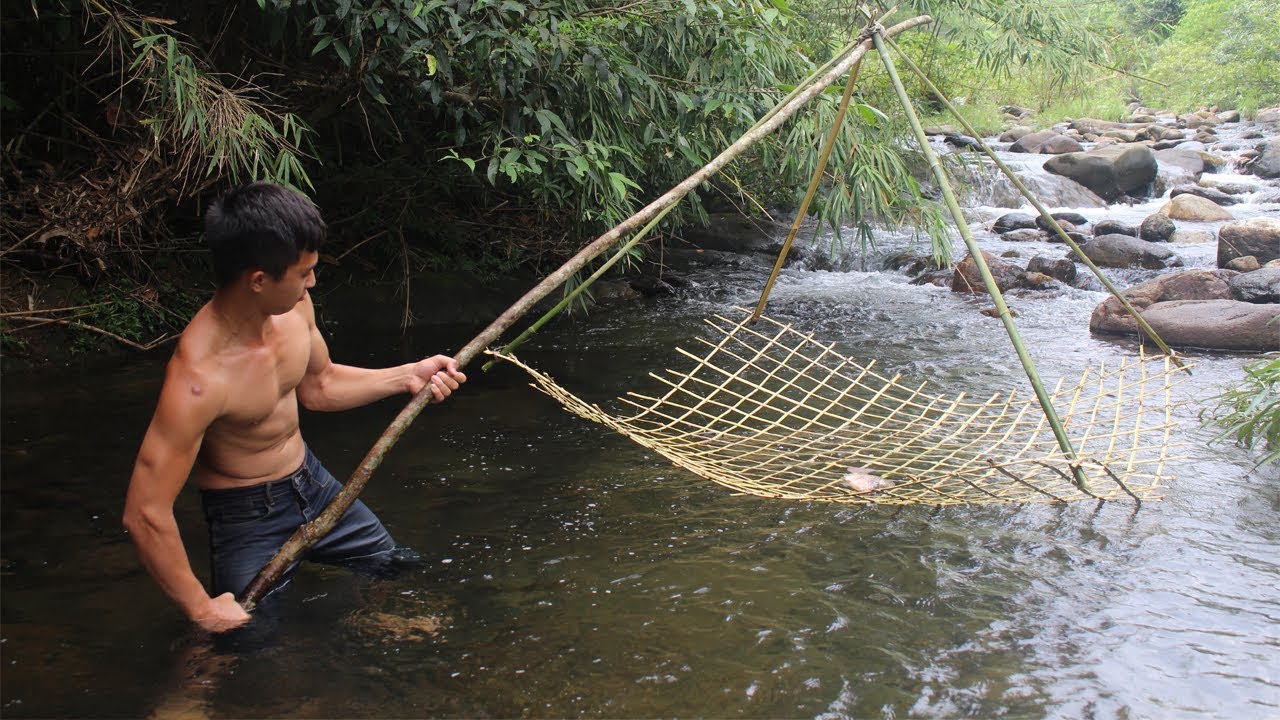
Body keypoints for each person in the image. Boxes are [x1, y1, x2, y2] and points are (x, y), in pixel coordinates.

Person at [123, 181, 466, 633]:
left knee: (396, 568)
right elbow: (145, 512)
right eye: (304, 273)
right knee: (245, 642)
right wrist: (200, 607)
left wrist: (407, 376)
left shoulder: (294, 310)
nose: (312, 283)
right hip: (247, 516)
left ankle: (367, 624)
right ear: (258, 281)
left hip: (313, 482)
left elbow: (320, 385)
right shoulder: (199, 380)